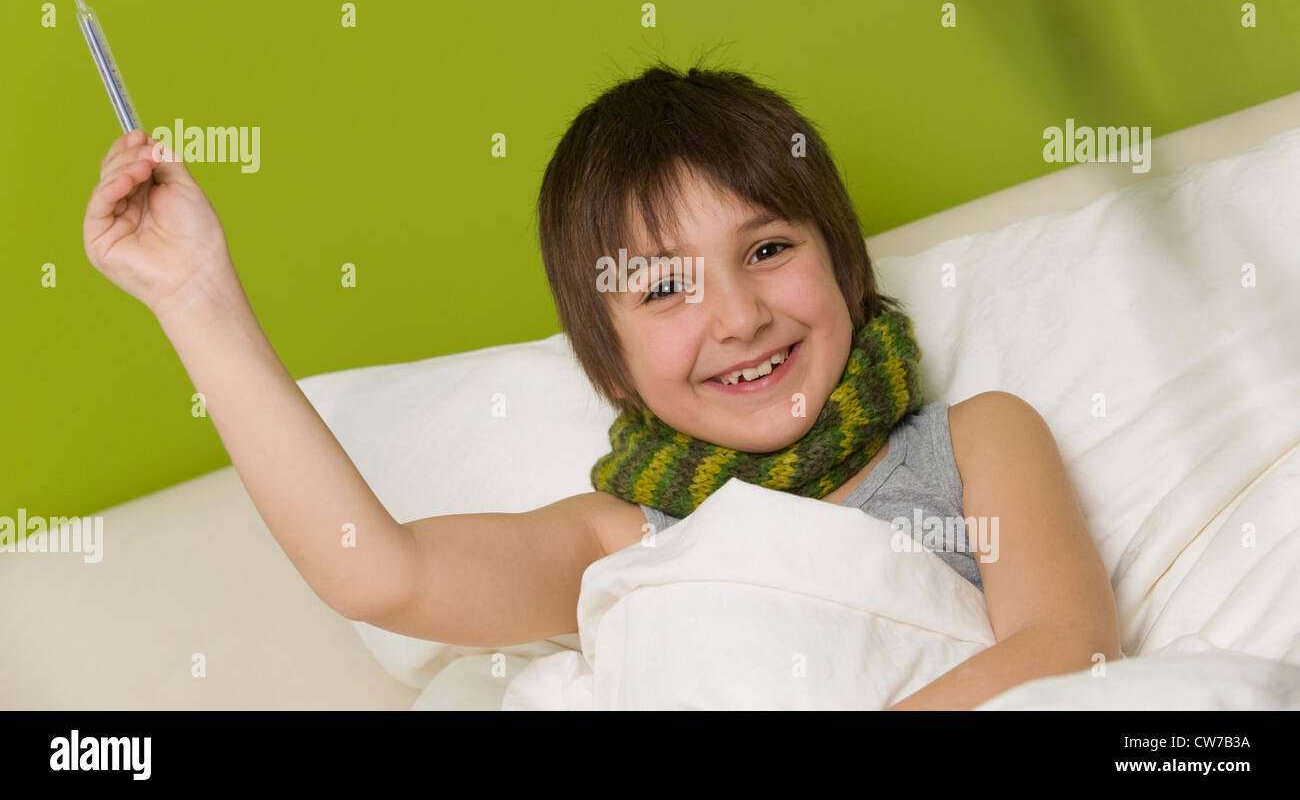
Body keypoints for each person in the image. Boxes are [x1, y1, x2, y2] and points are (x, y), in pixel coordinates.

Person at [83, 59, 1119, 709]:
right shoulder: (618, 539)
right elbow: (379, 575)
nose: (737, 316)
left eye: (765, 251)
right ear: (609, 367)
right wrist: (194, 296)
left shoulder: (976, 442)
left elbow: (1066, 647)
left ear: (845, 262)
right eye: (664, 289)